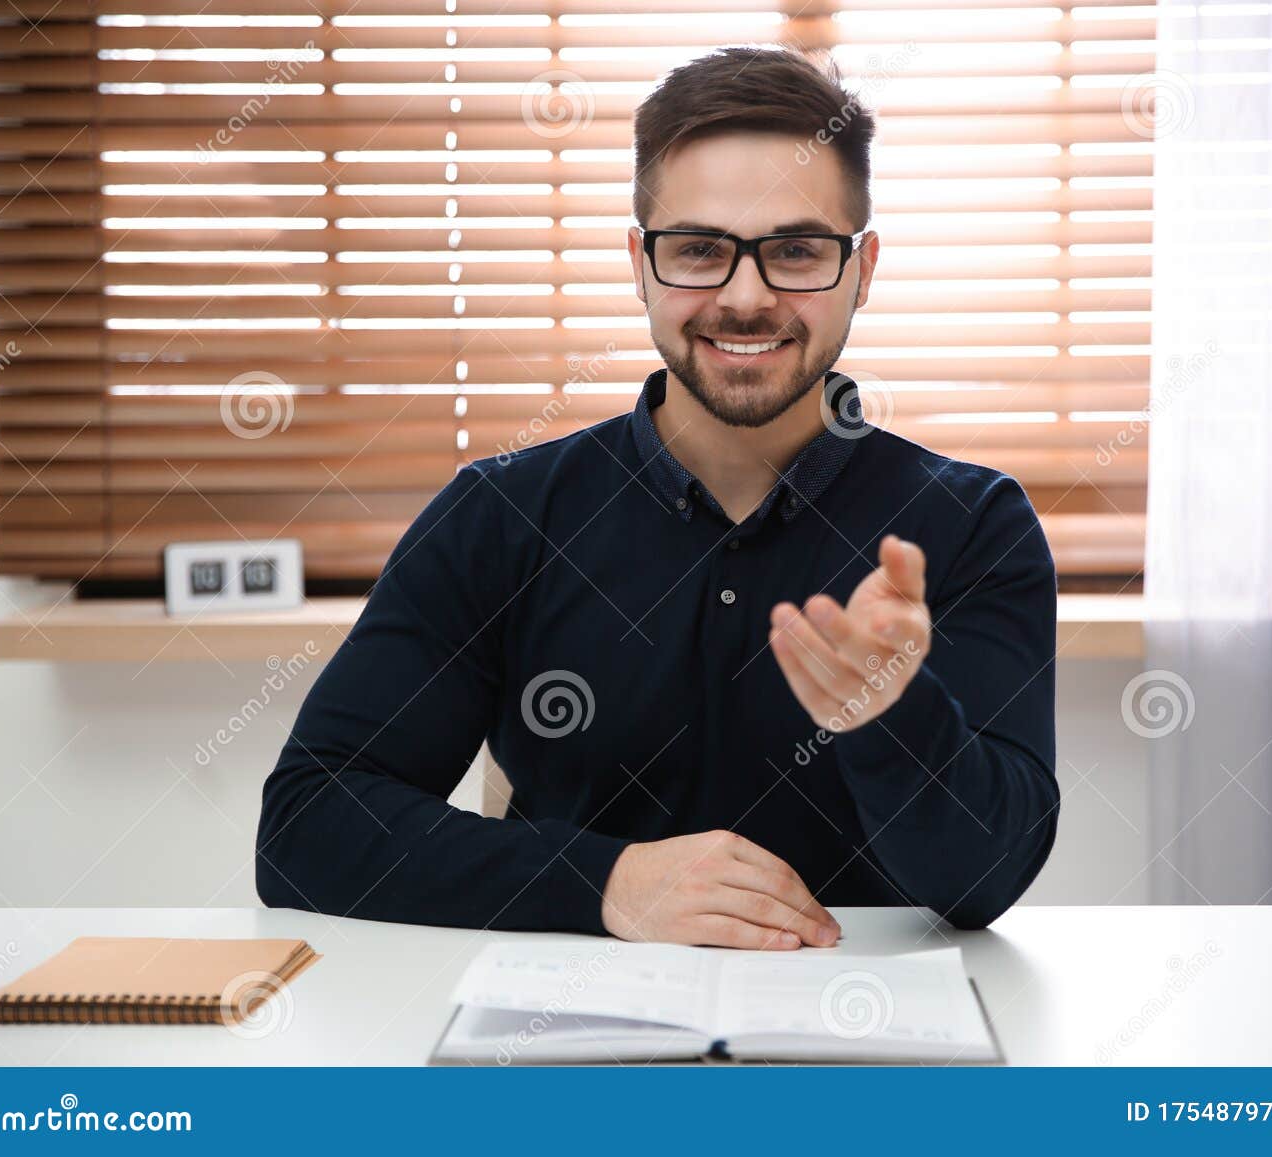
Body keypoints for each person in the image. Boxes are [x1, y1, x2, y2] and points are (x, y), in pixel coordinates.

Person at [256, 46, 1059, 950]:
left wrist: (891, 710)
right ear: (640, 264)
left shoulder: (975, 524)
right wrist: (605, 881)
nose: (745, 297)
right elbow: (306, 827)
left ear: (862, 269)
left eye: (796, 250)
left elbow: (987, 881)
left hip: (872, 1043)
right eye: (699, 251)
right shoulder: (503, 513)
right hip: (561, 1049)